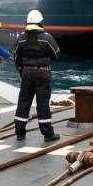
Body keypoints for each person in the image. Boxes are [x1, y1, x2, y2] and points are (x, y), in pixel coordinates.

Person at [13, 9, 61, 142]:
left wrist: (22, 71)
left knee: (23, 102)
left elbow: (16, 56)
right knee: (43, 103)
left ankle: (19, 133)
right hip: (42, 73)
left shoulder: (21, 38)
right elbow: (57, 53)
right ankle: (48, 134)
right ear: (40, 22)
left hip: (27, 73)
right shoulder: (47, 37)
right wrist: (46, 59)